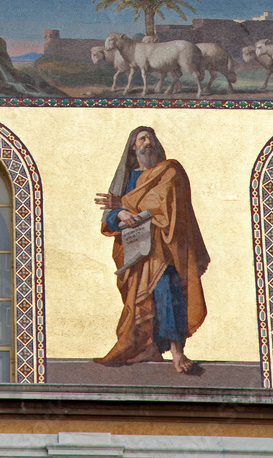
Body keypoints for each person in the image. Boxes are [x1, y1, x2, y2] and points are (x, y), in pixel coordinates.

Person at [94, 126, 209, 372]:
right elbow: (109, 218)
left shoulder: (169, 171)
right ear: (133, 147)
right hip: (136, 253)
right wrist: (120, 213)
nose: (148, 142)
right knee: (139, 302)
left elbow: (164, 203)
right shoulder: (128, 178)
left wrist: (124, 203)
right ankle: (148, 348)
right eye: (142, 138)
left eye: (151, 138)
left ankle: (177, 351)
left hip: (165, 248)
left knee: (167, 292)